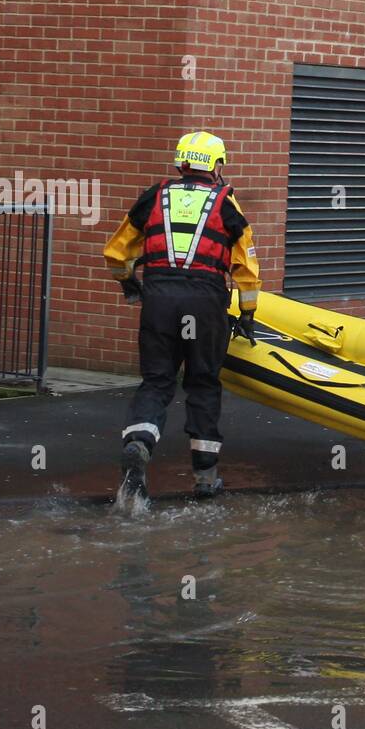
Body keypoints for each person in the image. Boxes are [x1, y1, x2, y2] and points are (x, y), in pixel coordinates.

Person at [103, 131, 261, 499]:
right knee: (203, 383)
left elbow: (115, 252)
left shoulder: (154, 197)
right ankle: (205, 479)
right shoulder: (226, 204)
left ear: (182, 162)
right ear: (216, 166)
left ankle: (140, 442)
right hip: (205, 304)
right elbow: (246, 268)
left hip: (159, 301)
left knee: (157, 381)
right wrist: (249, 312)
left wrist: (129, 284)